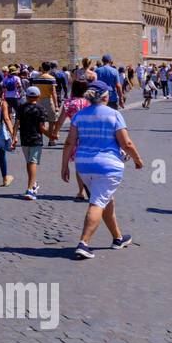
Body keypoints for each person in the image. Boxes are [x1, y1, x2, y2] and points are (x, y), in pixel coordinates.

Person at [61, 81, 143, 259]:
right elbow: (126, 143)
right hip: (107, 166)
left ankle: (117, 238)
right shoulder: (114, 115)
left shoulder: (79, 115)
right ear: (106, 96)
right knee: (98, 202)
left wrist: (64, 165)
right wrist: (137, 159)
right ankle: (84, 243)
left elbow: (69, 142)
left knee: (106, 199)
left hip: (83, 165)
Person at [16, 86, 50, 200]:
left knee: (29, 162)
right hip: (36, 138)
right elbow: (42, 127)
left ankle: (33, 183)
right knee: (33, 162)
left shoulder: (21, 107)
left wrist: (13, 136)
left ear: (27, 96)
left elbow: (17, 123)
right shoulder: (41, 109)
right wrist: (52, 136)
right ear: (38, 96)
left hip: (24, 138)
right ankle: (30, 189)